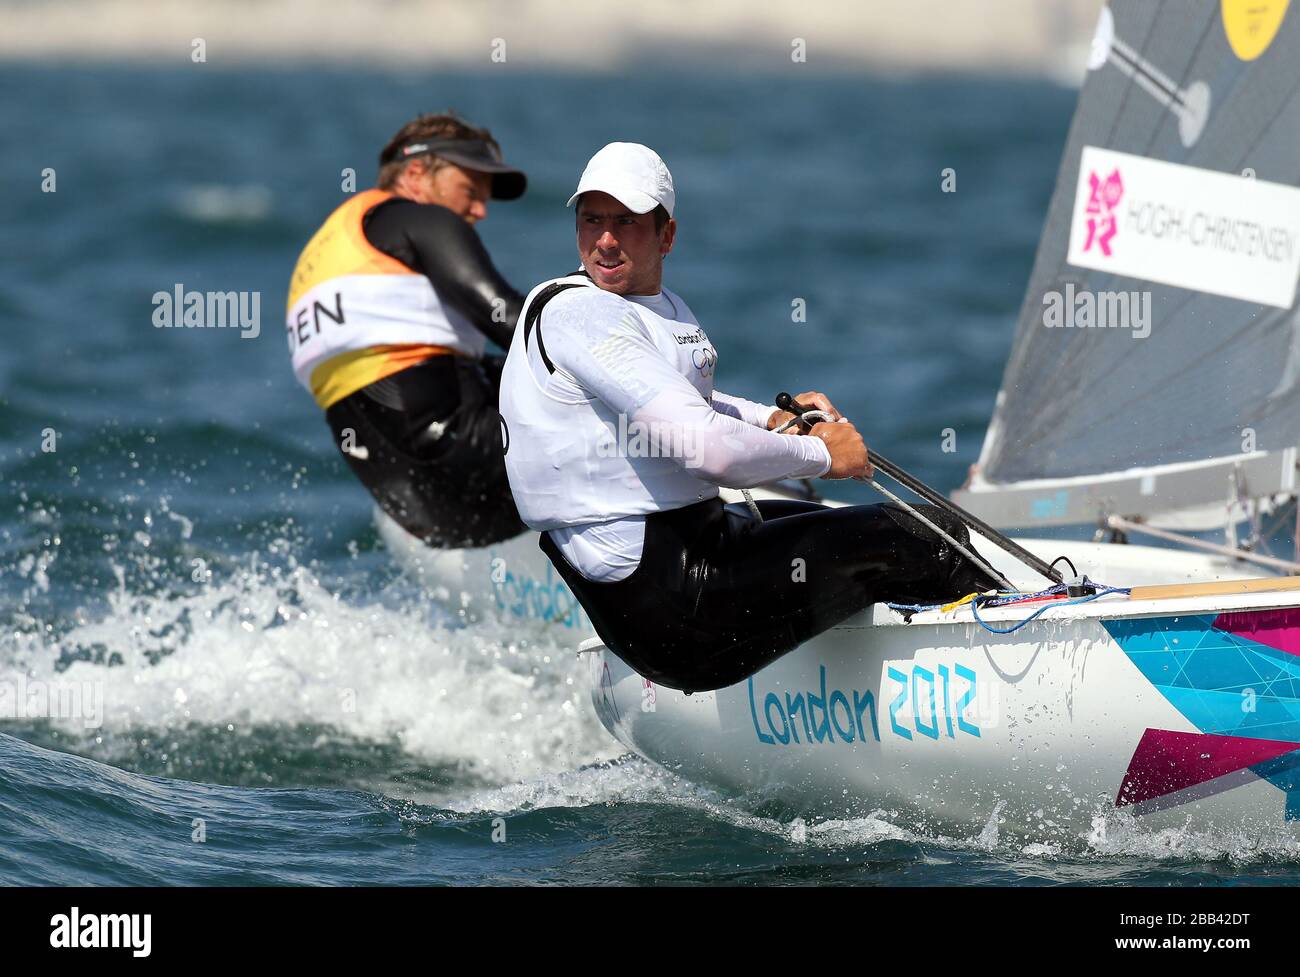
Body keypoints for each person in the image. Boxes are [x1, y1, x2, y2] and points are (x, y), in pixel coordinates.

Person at [499, 142, 1003, 693]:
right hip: (674, 610)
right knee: (928, 539)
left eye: (626, 222)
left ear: (667, 235)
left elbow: (680, 403)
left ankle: (920, 646)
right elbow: (708, 450)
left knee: (926, 526)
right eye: (591, 220)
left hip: (695, 546)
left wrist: (771, 420)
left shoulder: (649, 307)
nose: (605, 240)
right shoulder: (582, 311)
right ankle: (1013, 662)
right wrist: (823, 454)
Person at [286, 111, 529, 548]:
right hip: (468, 457)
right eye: (470, 191)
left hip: (423, 512)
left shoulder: (322, 252)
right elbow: (508, 318)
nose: (479, 210)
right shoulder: (423, 220)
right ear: (416, 174)